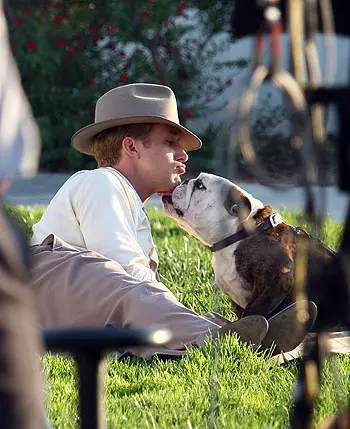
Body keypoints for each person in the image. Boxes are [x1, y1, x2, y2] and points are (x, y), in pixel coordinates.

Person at [29, 83, 312, 358]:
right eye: (170, 143)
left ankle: (234, 336)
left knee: (144, 311)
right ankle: (229, 341)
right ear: (132, 147)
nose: (183, 155)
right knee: (132, 290)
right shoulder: (100, 182)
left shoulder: (132, 210)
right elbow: (126, 273)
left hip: (69, 305)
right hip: (40, 281)